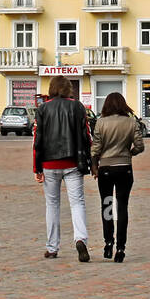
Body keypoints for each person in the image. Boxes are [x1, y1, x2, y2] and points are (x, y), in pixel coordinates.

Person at [32, 75, 92, 261]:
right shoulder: (77, 107)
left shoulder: (43, 108)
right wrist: (88, 159)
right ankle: (80, 238)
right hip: (73, 162)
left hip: (49, 163)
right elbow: (87, 136)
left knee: (52, 205)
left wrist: (37, 168)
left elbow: (37, 140)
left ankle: (52, 246)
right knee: (77, 202)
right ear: (68, 89)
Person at [91, 91, 143, 263]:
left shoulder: (100, 123)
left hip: (105, 168)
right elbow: (140, 146)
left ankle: (108, 242)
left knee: (107, 205)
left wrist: (94, 165)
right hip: (124, 168)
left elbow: (96, 147)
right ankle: (121, 247)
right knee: (122, 207)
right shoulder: (131, 122)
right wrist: (129, 153)